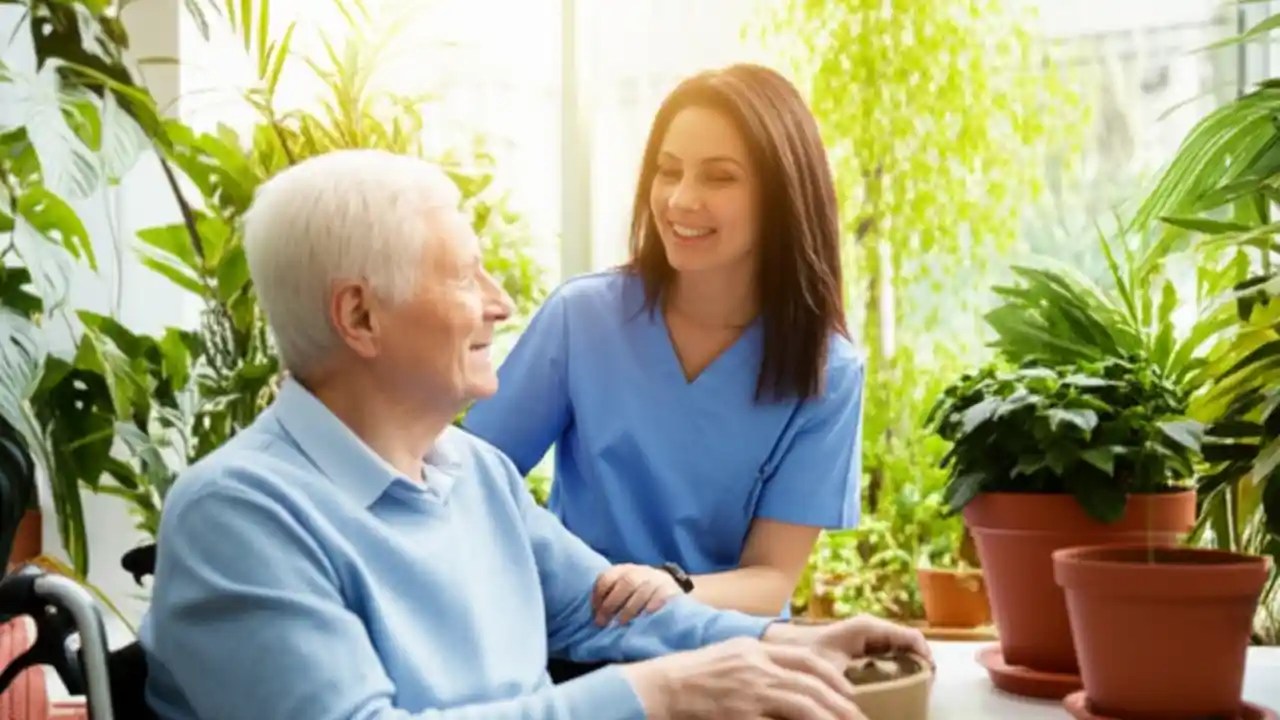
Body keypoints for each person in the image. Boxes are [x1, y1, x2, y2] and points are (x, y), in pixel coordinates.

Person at [137, 149, 927, 720]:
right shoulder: (237, 517)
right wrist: (661, 693)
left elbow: (612, 611)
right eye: (463, 275)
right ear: (360, 317)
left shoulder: (471, 473)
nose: (500, 303)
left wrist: (790, 645)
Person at [462, 63, 863, 680]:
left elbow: (771, 576)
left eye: (719, 177)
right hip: (573, 648)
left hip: (723, 658)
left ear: (783, 194)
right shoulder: (583, 317)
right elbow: (469, 476)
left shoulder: (827, 370)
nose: (680, 199)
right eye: (668, 170)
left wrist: (667, 587)